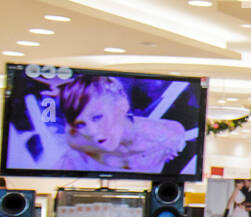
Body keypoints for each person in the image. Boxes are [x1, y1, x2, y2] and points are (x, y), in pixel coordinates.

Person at [56, 75, 186, 174]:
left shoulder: (168, 136)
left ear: (122, 104)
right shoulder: (76, 157)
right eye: (80, 125)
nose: (92, 131)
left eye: (97, 117)